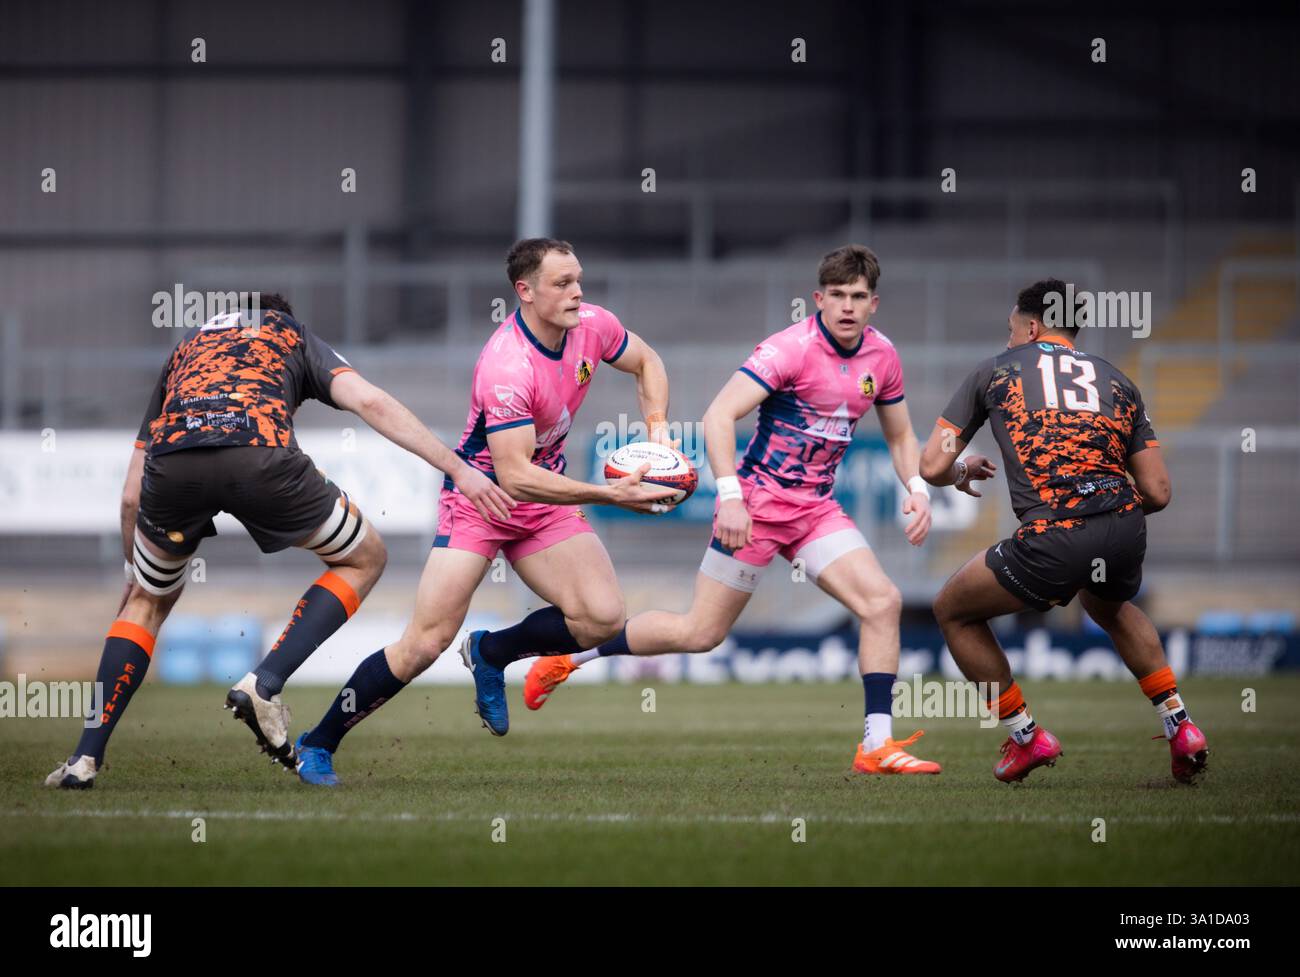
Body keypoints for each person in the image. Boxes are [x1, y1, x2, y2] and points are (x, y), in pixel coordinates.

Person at [43, 294, 511, 788]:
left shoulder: (186, 350)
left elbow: (130, 496)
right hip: (259, 455)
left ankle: (82, 761)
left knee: (145, 602)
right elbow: (369, 401)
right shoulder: (290, 332)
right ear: (280, 313)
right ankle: (264, 683)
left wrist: (135, 572)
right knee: (365, 558)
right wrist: (458, 467)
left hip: (174, 465)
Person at [524, 245, 949, 775]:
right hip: (757, 505)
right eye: (836, 295)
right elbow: (718, 415)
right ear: (817, 299)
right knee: (699, 634)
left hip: (816, 509)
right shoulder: (788, 350)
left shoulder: (882, 356)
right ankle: (571, 657)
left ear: (874, 304)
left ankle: (876, 746)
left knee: (882, 602)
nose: (846, 306)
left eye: (857, 297)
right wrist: (730, 497)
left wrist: (916, 486)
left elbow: (903, 433)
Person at [292, 239, 676, 786]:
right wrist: (611, 494)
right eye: (563, 283)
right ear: (525, 291)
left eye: (579, 280)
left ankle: (491, 651)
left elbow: (648, 361)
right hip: (481, 499)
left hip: (543, 502)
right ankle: (318, 742)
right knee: (424, 642)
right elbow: (515, 475)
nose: (578, 292)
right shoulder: (506, 366)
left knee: (602, 618)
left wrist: (657, 434)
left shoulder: (592, 324)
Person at [919, 278, 1208, 784]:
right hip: (1125, 529)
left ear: (1031, 327)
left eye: (1011, 331)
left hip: (1055, 534)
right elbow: (1158, 491)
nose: (1008, 340)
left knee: (953, 610)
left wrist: (962, 473)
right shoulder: (1119, 381)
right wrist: (1106, 513)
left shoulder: (993, 372)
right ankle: (1180, 725)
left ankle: (1026, 737)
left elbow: (931, 464)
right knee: (1106, 603)